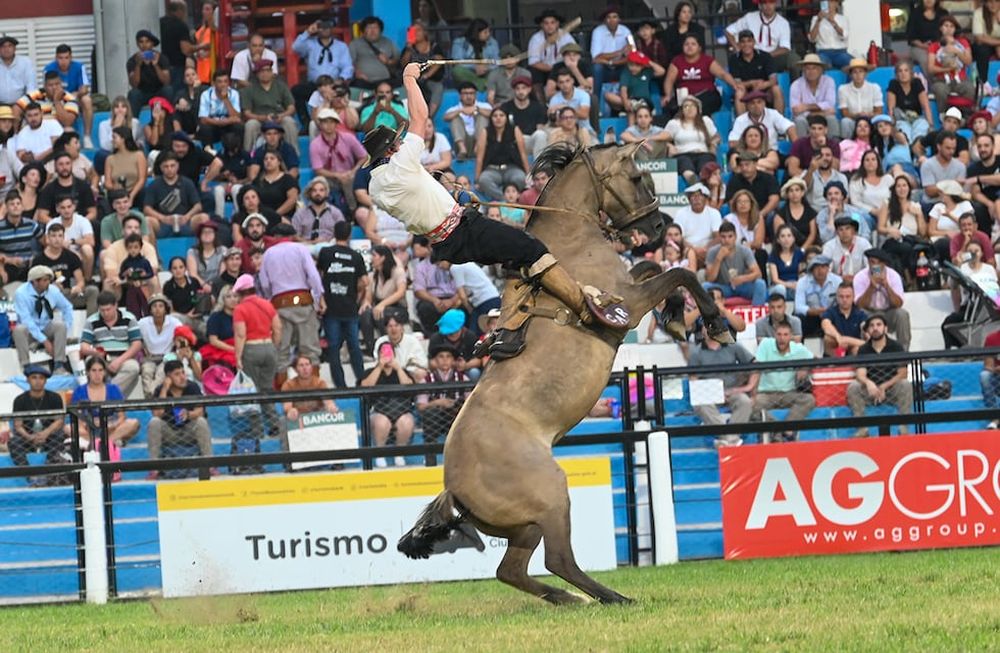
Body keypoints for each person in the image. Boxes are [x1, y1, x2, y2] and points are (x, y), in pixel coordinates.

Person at [366, 62, 630, 332]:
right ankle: (585, 310)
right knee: (532, 248)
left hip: (446, 240)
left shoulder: (377, 186)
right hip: (463, 229)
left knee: (516, 258)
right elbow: (420, 117)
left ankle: (518, 321)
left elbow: (416, 196)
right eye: (396, 144)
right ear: (389, 152)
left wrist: (447, 194)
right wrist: (409, 78)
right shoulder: (401, 164)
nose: (400, 144)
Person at [258, 224, 324, 380]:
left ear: (275, 237)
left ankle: (281, 393)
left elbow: (265, 283)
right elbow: (313, 276)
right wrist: (318, 296)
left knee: (282, 349)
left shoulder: (268, 254)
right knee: (310, 348)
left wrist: (271, 297)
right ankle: (313, 388)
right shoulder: (301, 249)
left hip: (279, 303)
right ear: (293, 236)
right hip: (302, 301)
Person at [318, 221, 368, 388]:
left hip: (331, 308)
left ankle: (340, 387)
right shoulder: (356, 256)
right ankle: (362, 382)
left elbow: (318, 277)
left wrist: (321, 299)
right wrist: (357, 297)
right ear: (349, 235)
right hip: (350, 308)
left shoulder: (325, 252)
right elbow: (365, 282)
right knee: (354, 348)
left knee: (333, 349)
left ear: (334, 233)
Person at [688, 323, 754, 448]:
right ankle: (731, 439)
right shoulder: (696, 353)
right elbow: (693, 379)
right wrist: (708, 392)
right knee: (701, 405)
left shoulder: (733, 346)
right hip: (709, 394)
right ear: (703, 330)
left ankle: (726, 440)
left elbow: (755, 364)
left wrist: (748, 387)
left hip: (732, 391)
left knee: (745, 401)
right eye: (707, 327)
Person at [847, 314, 912, 437]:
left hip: (891, 390)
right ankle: (862, 429)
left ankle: (903, 428)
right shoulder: (863, 349)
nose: (875, 328)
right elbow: (860, 374)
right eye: (871, 326)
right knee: (853, 387)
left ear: (885, 328)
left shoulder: (896, 346)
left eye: (878, 325)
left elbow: (903, 373)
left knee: (905, 385)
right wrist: (869, 383)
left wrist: (884, 386)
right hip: (870, 393)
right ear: (867, 331)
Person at [750, 322, 815, 443]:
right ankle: (778, 429)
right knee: (749, 406)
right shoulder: (765, 344)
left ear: (791, 336)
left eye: (785, 335)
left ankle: (787, 429)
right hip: (766, 394)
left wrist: (805, 368)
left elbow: (815, 360)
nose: (782, 338)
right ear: (774, 335)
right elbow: (756, 370)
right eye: (779, 334)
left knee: (809, 399)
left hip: (788, 393)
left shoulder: (798, 349)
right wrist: (753, 394)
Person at [146, 359, 213, 478]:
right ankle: (154, 468)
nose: (182, 377)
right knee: (154, 422)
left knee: (201, 422)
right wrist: (165, 389)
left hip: (189, 431)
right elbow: (157, 414)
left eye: (183, 372)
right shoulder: (160, 390)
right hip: (169, 433)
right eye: (177, 374)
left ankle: (210, 465)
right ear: (168, 377)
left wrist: (189, 414)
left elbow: (200, 411)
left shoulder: (192, 387)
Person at [79, 292, 143, 398]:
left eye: (108, 309)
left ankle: (106, 394)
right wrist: (94, 352)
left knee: (133, 368)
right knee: (91, 363)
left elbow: (137, 344)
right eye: (102, 310)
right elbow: (84, 346)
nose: (105, 313)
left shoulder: (129, 318)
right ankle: (110, 395)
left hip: (123, 357)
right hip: (100, 358)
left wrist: (119, 360)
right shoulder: (91, 321)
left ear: (115, 306)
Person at [291, 18, 352, 129]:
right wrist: (308, 32)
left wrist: (341, 79)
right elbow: (295, 47)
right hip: (315, 84)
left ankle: (342, 123)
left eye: (327, 26)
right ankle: (306, 124)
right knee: (296, 91)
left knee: (345, 91)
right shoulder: (310, 44)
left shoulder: (341, 46)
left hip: (334, 83)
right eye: (322, 26)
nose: (324, 29)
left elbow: (347, 67)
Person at [361, 341, 414, 468]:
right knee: (382, 422)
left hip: (401, 410)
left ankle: (399, 453)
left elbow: (410, 386)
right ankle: (380, 453)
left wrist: (398, 368)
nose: (386, 356)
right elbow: (365, 385)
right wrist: (379, 367)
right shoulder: (370, 371)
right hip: (378, 411)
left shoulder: (402, 371)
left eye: (389, 353)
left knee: (407, 422)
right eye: (383, 353)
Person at [69, 355, 140, 449]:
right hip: (89, 428)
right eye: (94, 370)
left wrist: (113, 425)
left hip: (110, 427)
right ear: (88, 372)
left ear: (105, 372)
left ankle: (105, 443)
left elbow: (122, 416)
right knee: (69, 428)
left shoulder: (113, 389)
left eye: (100, 370)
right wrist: (88, 424)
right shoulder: (79, 391)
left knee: (133, 423)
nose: (97, 374)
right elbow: (77, 418)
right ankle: (102, 442)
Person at [10, 365, 66, 484]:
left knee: (60, 437)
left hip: (49, 438)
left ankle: (48, 472)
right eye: (34, 377)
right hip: (28, 439)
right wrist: (29, 437)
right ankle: (30, 475)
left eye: (41, 378)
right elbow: (18, 425)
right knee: (14, 442)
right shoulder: (19, 400)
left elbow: (59, 421)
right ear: (28, 380)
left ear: (45, 380)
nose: (37, 381)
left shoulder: (55, 398)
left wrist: (45, 433)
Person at [12, 265, 73, 374]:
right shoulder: (21, 294)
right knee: (19, 329)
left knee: (60, 325)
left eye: (49, 280)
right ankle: (26, 366)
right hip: (29, 332)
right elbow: (26, 320)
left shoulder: (53, 291)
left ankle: (59, 365)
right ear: (35, 282)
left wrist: (65, 330)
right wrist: (44, 341)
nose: (48, 283)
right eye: (45, 280)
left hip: (46, 327)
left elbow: (67, 307)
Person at [661, 34, 736, 119]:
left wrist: (735, 85)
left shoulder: (707, 60)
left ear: (699, 48)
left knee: (696, 108)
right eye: (686, 44)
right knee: (670, 108)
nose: (689, 46)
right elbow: (669, 80)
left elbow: (723, 74)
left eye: (693, 44)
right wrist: (667, 95)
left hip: (707, 96)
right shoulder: (677, 61)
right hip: (684, 97)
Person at [33, 221, 97, 315]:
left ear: (64, 238)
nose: (57, 239)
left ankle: (91, 324)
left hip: (68, 294)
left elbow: (80, 281)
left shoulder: (71, 256)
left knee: (93, 290)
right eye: (53, 236)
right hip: (47, 295)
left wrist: (78, 287)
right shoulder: (38, 260)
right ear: (48, 238)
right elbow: (33, 285)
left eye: (60, 236)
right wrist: (49, 287)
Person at [853, 248, 911, 350]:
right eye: (872, 262)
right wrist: (871, 287)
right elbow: (860, 305)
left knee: (902, 314)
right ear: (868, 262)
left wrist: (886, 286)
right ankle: (867, 352)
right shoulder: (860, 277)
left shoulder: (893, 276)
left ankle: (904, 352)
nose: (875, 266)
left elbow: (898, 304)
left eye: (878, 263)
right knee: (859, 315)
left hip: (888, 312)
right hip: (869, 312)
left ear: (884, 264)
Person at [309, 108, 366, 209]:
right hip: (329, 177)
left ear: (336, 124)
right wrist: (337, 175)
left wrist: (353, 171)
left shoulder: (348, 138)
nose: (329, 125)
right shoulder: (315, 144)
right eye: (325, 122)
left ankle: (353, 210)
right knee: (319, 183)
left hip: (350, 173)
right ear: (320, 125)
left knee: (351, 179)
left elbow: (363, 156)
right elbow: (318, 170)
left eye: (332, 122)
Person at [416, 341, 468, 451]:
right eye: (441, 357)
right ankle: (430, 456)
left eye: (448, 357)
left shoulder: (463, 379)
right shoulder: (426, 380)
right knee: (430, 413)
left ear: (453, 361)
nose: (445, 360)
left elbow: (470, 403)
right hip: (435, 419)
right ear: (435, 360)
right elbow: (420, 407)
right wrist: (437, 402)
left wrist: (454, 404)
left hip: (455, 417)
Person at [241, 58, 297, 154]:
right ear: (257, 74)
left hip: (278, 118)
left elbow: (291, 107)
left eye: (268, 70)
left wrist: (282, 115)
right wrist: (263, 118)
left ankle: (293, 155)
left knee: (289, 122)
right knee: (250, 125)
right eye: (262, 71)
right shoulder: (249, 89)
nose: (265, 73)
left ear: (272, 72)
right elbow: (247, 113)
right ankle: (248, 157)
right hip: (259, 120)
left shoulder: (281, 86)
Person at [703, 221, 767, 305]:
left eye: (730, 236)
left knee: (760, 284)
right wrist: (718, 259)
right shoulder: (712, 252)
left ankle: (756, 314)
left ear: (735, 237)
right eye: (723, 237)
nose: (727, 240)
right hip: (723, 287)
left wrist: (742, 279)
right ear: (719, 237)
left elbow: (758, 274)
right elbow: (710, 279)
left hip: (743, 286)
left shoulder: (744, 250)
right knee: (705, 286)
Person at [44, 44, 94, 147]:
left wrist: (73, 95)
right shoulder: (49, 68)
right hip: (55, 98)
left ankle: (87, 136)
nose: (63, 61)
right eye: (60, 58)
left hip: (75, 97)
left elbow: (85, 88)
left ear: (71, 57)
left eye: (66, 58)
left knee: (87, 100)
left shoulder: (79, 67)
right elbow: (46, 88)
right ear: (56, 57)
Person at [359, 245, 408, 351]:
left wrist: (382, 304)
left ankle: (389, 348)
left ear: (382, 258)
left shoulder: (397, 271)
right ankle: (371, 349)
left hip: (397, 308)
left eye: (374, 255)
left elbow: (401, 292)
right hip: (380, 307)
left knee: (382, 314)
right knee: (366, 313)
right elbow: (369, 296)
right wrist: (366, 303)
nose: (371, 258)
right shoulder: (373, 275)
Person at [475, 107, 529, 201]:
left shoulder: (515, 130)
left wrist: (528, 174)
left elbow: (523, 154)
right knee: (484, 180)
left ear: (506, 117)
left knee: (520, 178)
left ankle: (511, 199)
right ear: (491, 118)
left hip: (512, 167)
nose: (498, 118)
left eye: (501, 115)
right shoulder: (486, 132)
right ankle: (504, 200)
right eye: (495, 116)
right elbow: (480, 157)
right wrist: (477, 179)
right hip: (492, 169)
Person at [927, 15, 975, 119]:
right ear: (941, 28)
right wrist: (947, 69)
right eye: (946, 26)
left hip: (960, 79)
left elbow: (968, 62)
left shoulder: (963, 42)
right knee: (940, 89)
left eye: (952, 26)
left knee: (969, 88)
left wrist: (957, 51)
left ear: (955, 29)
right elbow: (931, 68)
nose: (948, 29)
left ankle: (965, 115)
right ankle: (944, 115)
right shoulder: (934, 46)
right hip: (941, 80)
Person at [663, 96, 719, 185]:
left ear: (698, 109)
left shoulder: (705, 121)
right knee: (685, 163)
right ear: (682, 110)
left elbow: (716, 137)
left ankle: (703, 182)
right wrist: (670, 146)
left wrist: (713, 144)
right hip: (682, 154)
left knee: (705, 162)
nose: (689, 108)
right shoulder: (674, 123)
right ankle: (694, 183)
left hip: (702, 153)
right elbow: (662, 138)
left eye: (692, 106)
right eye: (686, 106)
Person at [725, 0, 793, 70]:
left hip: (772, 57)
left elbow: (785, 48)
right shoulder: (750, 18)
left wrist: (765, 56)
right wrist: (737, 49)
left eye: (771, 2)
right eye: (764, 3)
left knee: (792, 58)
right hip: (750, 57)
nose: (768, 6)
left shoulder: (783, 23)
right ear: (760, 5)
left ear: (775, 4)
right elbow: (728, 31)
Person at [728, 30, 784, 116]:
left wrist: (763, 85)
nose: (746, 44)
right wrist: (751, 83)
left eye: (749, 41)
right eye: (743, 42)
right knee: (739, 92)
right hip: (746, 92)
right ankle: (743, 126)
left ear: (754, 42)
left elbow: (773, 80)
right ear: (739, 44)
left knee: (776, 89)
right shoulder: (734, 59)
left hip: (765, 92)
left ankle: (780, 123)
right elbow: (737, 83)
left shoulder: (765, 56)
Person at [729, 91, 796, 159]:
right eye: (752, 103)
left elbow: (790, 127)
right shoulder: (740, 120)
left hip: (771, 153)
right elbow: (733, 142)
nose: (756, 106)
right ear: (747, 106)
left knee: (790, 161)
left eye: (759, 102)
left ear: (764, 103)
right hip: (749, 156)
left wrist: (796, 149)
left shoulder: (773, 114)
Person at [138, 293, 182, 396]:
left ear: (166, 309)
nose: (157, 309)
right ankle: (151, 399)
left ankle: (151, 397)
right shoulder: (142, 323)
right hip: (149, 357)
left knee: (161, 373)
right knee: (146, 371)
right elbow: (136, 339)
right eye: (154, 306)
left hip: (167, 357)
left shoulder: (174, 322)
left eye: (161, 306)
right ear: (150, 309)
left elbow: (183, 336)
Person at [400, 23, 446, 118]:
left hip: (431, 78)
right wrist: (408, 48)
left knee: (438, 88)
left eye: (418, 30)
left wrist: (427, 75)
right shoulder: (409, 48)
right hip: (414, 78)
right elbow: (403, 64)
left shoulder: (434, 46)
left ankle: (429, 117)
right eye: (413, 31)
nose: (415, 33)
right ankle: (409, 118)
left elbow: (439, 60)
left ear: (425, 32)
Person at [0, 190, 44, 288]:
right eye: (12, 204)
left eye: (18, 203)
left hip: (28, 265)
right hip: (7, 265)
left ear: (22, 207)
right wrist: (7, 262)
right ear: (6, 208)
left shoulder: (31, 224)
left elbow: (46, 243)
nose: (15, 206)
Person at [527, 9, 577, 94]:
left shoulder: (566, 36)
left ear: (557, 24)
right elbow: (533, 62)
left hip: (562, 69)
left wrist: (557, 69)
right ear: (542, 25)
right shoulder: (536, 38)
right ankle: (541, 103)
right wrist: (552, 69)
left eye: (552, 23)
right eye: (546, 23)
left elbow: (574, 54)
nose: (549, 26)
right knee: (533, 72)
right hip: (544, 70)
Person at [669, 184, 720, 266]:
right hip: (686, 249)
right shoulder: (681, 213)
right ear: (689, 199)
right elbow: (677, 236)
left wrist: (705, 249)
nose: (697, 199)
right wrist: (694, 250)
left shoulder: (714, 213)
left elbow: (717, 237)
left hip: (708, 250)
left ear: (706, 199)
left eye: (700, 196)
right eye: (693, 196)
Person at [790, 54, 839, 139]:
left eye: (814, 68)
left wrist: (806, 107)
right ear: (803, 70)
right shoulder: (796, 85)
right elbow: (796, 110)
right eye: (808, 68)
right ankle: (802, 150)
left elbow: (830, 104)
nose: (811, 71)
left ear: (820, 70)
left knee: (832, 119)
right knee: (799, 120)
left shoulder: (829, 81)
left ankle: (834, 148)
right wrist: (821, 112)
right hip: (806, 118)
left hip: (823, 118)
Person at [886, 60, 934, 148]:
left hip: (917, 118)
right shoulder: (893, 84)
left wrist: (930, 125)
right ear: (897, 74)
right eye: (900, 71)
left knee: (922, 126)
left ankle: (918, 150)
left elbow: (926, 106)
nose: (903, 73)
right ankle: (909, 150)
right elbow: (891, 108)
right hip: (901, 119)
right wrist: (892, 126)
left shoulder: (917, 83)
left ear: (911, 73)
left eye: (906, 70)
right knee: (904, 130)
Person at [427, 308, 483, 381]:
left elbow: (478, 360)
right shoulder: (436, 338)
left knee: (474, 372)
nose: (451, 334)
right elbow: (431, 362)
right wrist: (447, 364)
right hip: (442, 371)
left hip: (465, 370)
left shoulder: (470, 337)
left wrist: (465, 365)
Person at [373, 308, 429, 382]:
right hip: (389, 373)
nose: (393, 329)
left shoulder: (412, 341)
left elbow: (422, 363)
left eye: (396, 325)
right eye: (390, 326)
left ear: (402, 327)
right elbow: (378, 363)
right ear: (386, 329)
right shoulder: (381, 341)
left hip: (410, 373)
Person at [501, 76, 549, 160]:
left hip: (531, 141)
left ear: (529, 89)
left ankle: (540, 166)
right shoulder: (506, 107)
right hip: (513, 142)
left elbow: (540, 128)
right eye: (518, 89)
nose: (521, 91)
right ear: (514, 90)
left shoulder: (538, 107)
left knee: (541, 134)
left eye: (524, 88)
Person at [281, 355, 338, 423]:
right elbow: (287, 406)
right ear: (295, 369)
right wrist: (290, 410)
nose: (305, 368)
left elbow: (328, 401)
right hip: (297, 416)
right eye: (301, 365)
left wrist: (331, 406)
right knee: (283, 420)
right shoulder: (288, 385)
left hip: (316, 416)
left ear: (311, 367)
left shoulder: (320, 382)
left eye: (307, 364)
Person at [126, 30, 171, 116]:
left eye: (147, 42)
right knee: (133, 94)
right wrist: (138, 65)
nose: (144, 45)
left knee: (168, 90)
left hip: (158, 91)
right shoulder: (132, 61)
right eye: (141, 42)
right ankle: (132, 123)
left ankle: (170, 121)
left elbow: (166, 82)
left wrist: (156, 65)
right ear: (137, 44)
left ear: (152, 44)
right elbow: (134, 84)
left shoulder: (161, 58)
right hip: (142, 92)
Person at [795, 254, 842, 336]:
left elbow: (842, 301)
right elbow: (798, 307)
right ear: (812, 269)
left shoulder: (837, 281)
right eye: (817, 267)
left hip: (833, 314)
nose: (820, 271)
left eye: (823, 267)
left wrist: (829, 312)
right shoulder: (803, 282)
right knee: (799, 317)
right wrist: (814, 311)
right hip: (811, 316)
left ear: (828, 268)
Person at [443, 81, 492, 161]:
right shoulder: (455, 109)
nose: (469, 96)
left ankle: (477, 148)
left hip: (481, 145)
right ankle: (463, 150)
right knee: (455, 118)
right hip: (462, 144)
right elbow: (445, 117)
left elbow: (493, 114)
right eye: (465, 93)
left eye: (471, 93)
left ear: (476, 95)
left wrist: (478, 110)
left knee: (482, 117)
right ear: (460, 95)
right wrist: (460, 111)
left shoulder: (484, 106)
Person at [725, 151, 780, 219]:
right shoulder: (734, 180)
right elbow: (731, 202)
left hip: (765, 214)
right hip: (742, 216)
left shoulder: (768, 178)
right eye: (741, 165)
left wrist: (761, 215)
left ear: (755, 164)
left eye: (747, 165)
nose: (744, 168)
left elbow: (774, 199)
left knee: (774, 216)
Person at [349, 16, 399, 90]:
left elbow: (398, 60)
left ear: (380, 30)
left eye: (375, 28)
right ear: (363, 31)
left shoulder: (388, 42)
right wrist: (356, 72)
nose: (372, 31)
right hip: (364, 81)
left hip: (385, 80)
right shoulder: (355, 44)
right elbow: (349, 63)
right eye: (369, 28)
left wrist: (389, 62)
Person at [160, 0, 201, 89]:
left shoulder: (159, 23)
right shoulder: (180, 25)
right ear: (180, 11)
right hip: (176, 66)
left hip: (161, 66)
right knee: (177, 93)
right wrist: (202, 46)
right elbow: (186, 49)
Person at [450, 18, 500, 91]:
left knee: (498, 72)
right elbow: (457, 62)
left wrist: (487, 68)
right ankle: (482, 85)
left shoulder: (492, 43)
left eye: (489, 31)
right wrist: (474, 67)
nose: (488, 34)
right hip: (470, 73)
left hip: (487, 73)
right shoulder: (460, 42)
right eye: (485, 32)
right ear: (477, 33)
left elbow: (497, 62)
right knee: (457, 71)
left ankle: (477, 86)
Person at [816, 179, 873, 244]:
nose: (833, 196)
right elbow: (826, 238)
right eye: (829, 194)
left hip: (855, 246)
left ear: (842, 196)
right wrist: (831, 214)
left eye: (836, 193)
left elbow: (864, 232)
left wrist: (856, 246)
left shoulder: (854, 212)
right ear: (826, 197)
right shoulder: (822, 215)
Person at [838, 59, 883, 138]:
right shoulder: (843, 89)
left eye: (861, 71)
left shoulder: (874, 88)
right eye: (855, 72)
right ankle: (847, 145)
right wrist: (857, 115)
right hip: (853, 120)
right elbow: (844, 113)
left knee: (879, 121)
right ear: (850, 75)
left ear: (865, 74)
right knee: (845, 121)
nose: (858, 75)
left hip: (870, 120)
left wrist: (868, 115)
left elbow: (879, 111)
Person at [197, 69, 242, 146]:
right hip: (213, 124)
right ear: (213, 83)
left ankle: (236, 152)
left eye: (225, 81)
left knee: (238, 127)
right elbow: (203, 119)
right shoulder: (206, 94)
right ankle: (208, 152)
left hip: (228, 125)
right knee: (205, 128)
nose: (223, 84)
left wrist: (226, 99)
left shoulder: (234, 94)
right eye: (220, 82)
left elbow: (237, 117)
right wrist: (220, 122)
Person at [821, 281, 867, 356]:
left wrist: (845, 340)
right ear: (837, 297)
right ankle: (835, 362)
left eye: (847, 296)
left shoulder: (860, 314)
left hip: (853, 349)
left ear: (853, 297)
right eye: (841, 296)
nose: (844, 299)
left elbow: (865, 327)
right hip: (835, 349)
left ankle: (851, 365)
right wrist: (838, 338)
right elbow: (826, 325)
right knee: (828, 339)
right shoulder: (830, 312)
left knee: (858, 348)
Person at [822, 216, 872, 284]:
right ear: (837, 232)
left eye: (847, 228)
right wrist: (840, 279)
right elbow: (825, 270)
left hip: (861, 281)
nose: (844, 232)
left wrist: (858, 279)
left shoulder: (864, 244)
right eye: (841, 229)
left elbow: (872, 265)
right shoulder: (829, 246)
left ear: (854, 231)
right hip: (836, 282)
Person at [774, 177, 818, 249]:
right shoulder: (780, 215)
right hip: (786, 249)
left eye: (797, 190)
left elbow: (812, 235)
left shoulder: (810, 212)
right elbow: (780, 236)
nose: (794, 193)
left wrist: (802, 250)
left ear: (802, 193)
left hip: (807, 248)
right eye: (791, 191)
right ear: (787, 194)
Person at [808, 0, 851, 69]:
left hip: (840, 52)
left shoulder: (843, 19)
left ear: (836, 4)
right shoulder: (815, 19)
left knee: (851, 63)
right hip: (823, 52)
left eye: (830, 2)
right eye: (825, 2)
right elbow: (812, 39)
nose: (828, 4)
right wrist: (818, 21)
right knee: (821, 64)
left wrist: (833, 22)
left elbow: (844, 36)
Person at [768, 225, 806, 300]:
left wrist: (797, 284)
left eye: (789, 236)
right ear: (778, 240)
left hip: (795, 284)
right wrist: (788, 285)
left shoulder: (799, 253)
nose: (786, 239)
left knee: (800, 289)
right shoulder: (773, 256)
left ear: (794, 238)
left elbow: (802, 274)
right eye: (783, 236)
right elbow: (775, 279)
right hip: (779, 285)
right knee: (780, 289)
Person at [0, 35, 34, 108]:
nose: (6, 49)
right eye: (3, 46)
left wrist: (22, 104)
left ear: (15, 48)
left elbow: (31, 87)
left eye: (10, 46)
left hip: (21, 103)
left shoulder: (25, 62)